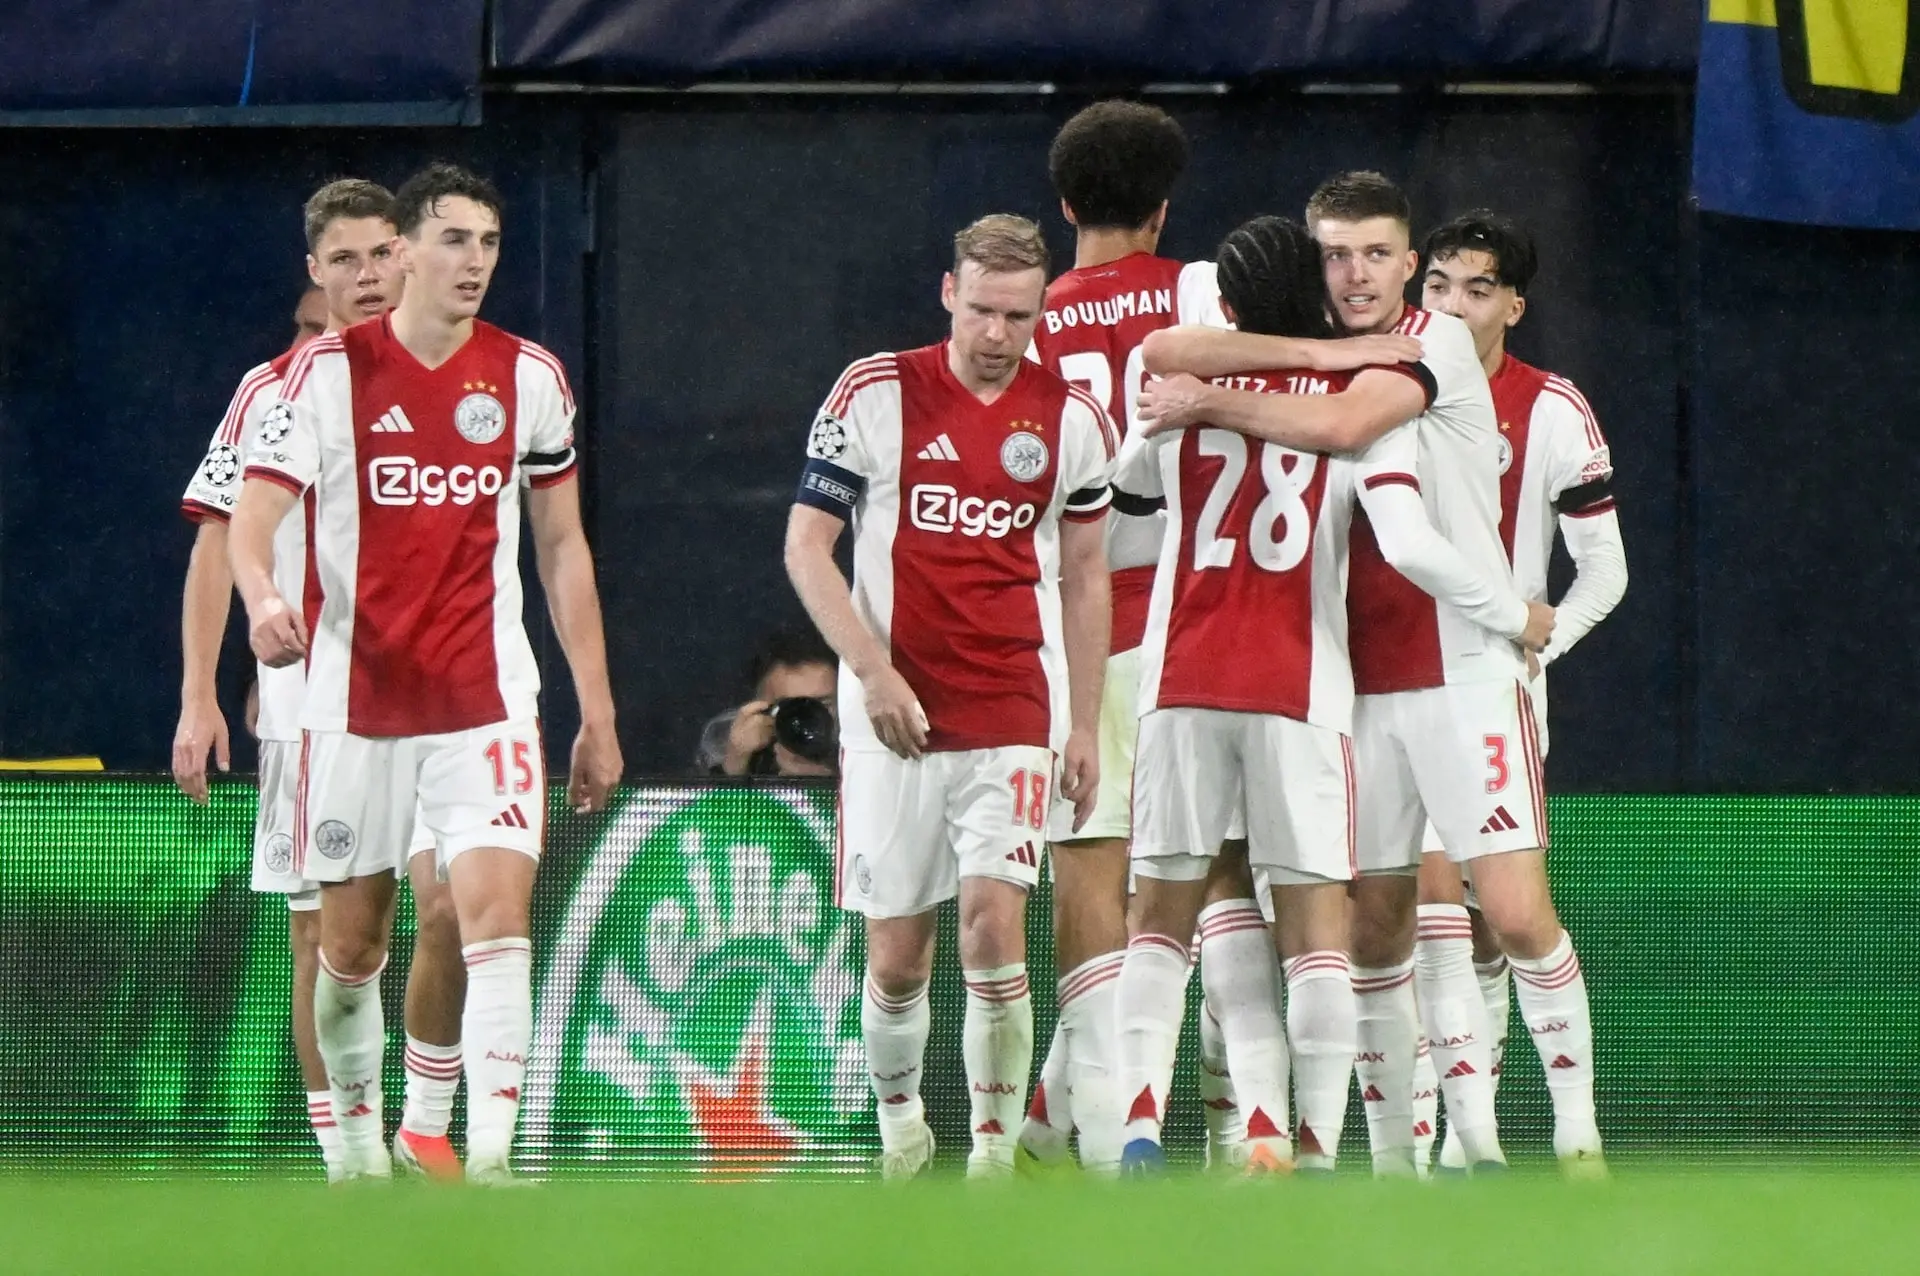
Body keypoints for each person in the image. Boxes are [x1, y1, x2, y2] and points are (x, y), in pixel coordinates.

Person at [1018, 99, 1421, 1177]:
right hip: (1296, 676)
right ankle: (1287, 1135)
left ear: (1065, 205)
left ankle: (1111, 1126)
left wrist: (1201, 402)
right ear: (1164, 207)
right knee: (1293, 918)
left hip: (1134, 641)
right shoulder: (1323, 367)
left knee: (1134, 907)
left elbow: (1117, 481)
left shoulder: (1044, 324)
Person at [1137, 171, 1552, 1177]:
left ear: (1409, 262)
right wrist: (1318, 355)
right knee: (1333, 926)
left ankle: (1159, 1129)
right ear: (1312, 267)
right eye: (1335, 255)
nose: (1356, 274)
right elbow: (1323, 426)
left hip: (1298, 669)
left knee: (1196, 918)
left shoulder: (1427, 342)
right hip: (1318, 677)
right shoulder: (1340, 359)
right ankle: (1312, 1147)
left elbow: (1188, 380)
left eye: (1374, 254)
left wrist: (1210, 401)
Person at [230, 163, 623, 1185]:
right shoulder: (323, 376)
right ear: (405, 251)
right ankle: (358, 1153)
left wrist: (597, 706)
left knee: (493, 917)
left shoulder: (530, 377)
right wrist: (263, 600)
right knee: (351, 950)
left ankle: (486, 1162)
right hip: (352, 706)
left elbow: (562, 546)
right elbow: (251, 520)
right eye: (454, 239)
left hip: (486, 700)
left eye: (489, 242)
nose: (475, 261)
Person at [785, 214, 1114, 1179]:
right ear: (947, 294)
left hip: (1011, 705)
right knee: (897, 958)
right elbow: (806, 546)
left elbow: (1087, 576)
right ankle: (901, 1134)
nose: (998, 334)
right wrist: (872, 673)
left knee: (993, 927)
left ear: (1042, 307)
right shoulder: (874, 391)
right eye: (981, 311)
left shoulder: (1072, 419)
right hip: (894, 716)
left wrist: (1083, 722)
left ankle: (990, 1161)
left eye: (1019, 315)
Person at [171, 182, 467, 1183]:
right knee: (329, 941)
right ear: (316, 271)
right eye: (346, 259)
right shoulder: (272, 390)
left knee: (449, 903)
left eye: (383, 253)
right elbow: (216, 545)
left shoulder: (466, 377)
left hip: (439, 704)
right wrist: (200, 695)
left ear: (408, 256)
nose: (369, 275)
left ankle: (429, 1127)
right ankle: (349, 1161)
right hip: (311, 712)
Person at [1409, 211, 1624, 1176]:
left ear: (1515, 307)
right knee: (1431, 913)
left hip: (1491, 692)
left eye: (1478, 288)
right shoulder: (1381, 388)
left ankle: (1578, 1134)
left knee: (1513, 922)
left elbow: (1604, 569)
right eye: (1439, 285)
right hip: (1391, 689)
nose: (1454, 306)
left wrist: (1539, 649)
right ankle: (1459, 1145)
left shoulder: (1550, 408)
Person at [695, 622, 838, 777]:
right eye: (790, 707)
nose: (806, 719)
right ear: (760, 710)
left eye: (822, 705)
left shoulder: (856, 749)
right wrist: (734, 769)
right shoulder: (738, 749)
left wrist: (835, 778)